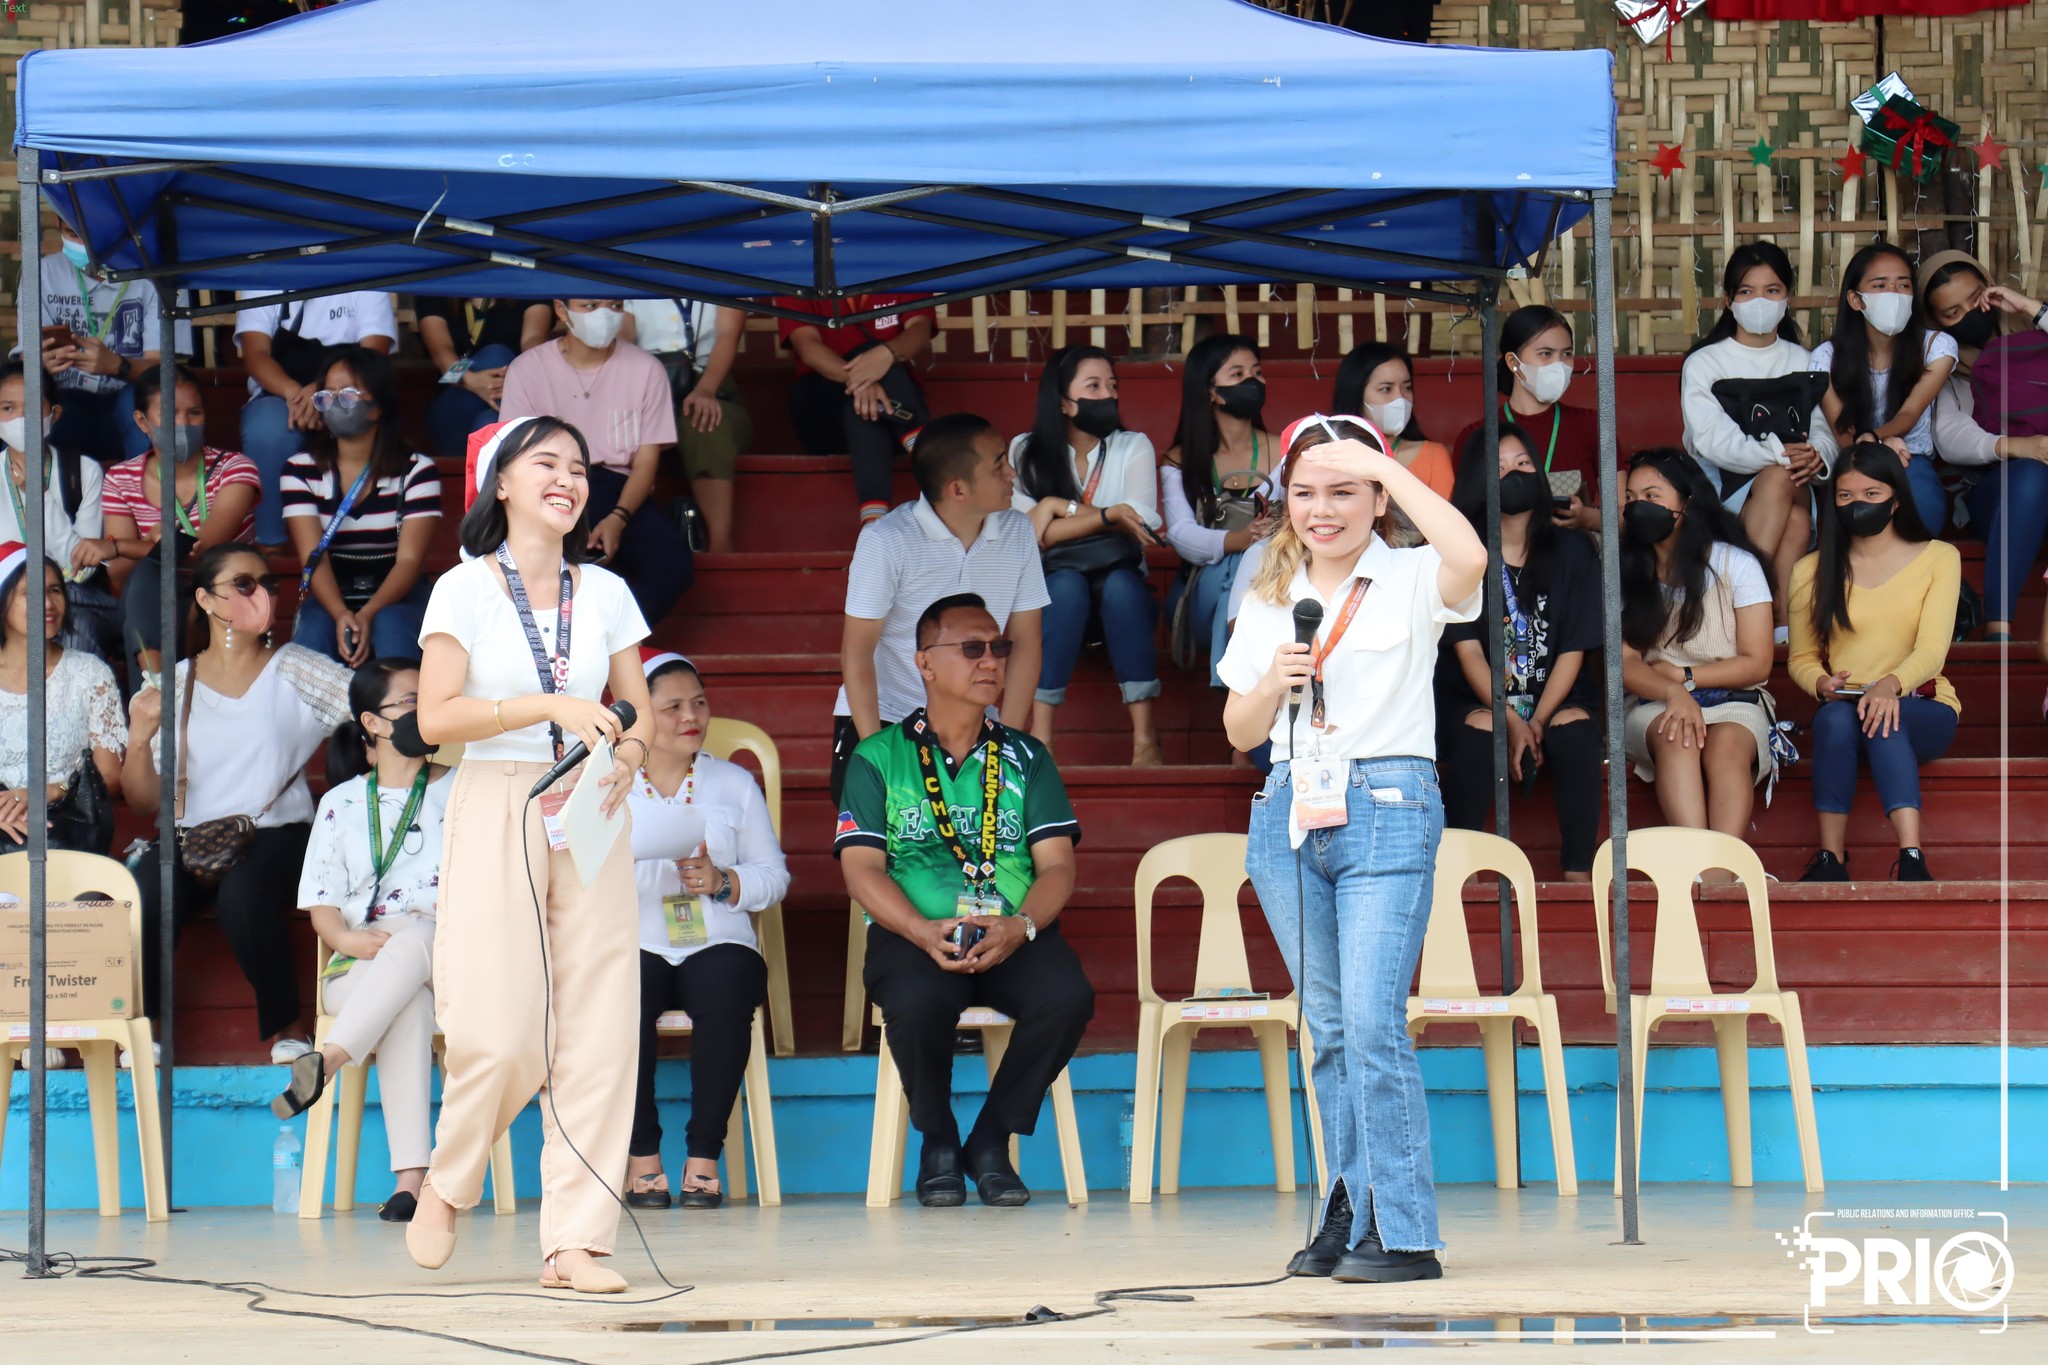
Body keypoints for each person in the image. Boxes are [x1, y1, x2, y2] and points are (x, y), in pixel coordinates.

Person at [1219, 414, 1484, 1284]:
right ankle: (1348, 1203)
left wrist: (1383, 463)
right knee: (1327, 1026)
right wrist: (1270, 681)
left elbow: (1471, 558)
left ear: (1377, 496)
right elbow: (1237, 727)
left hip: (1387, 799)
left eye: (1344, 490)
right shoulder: (1264, 592)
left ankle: (1405, 1231)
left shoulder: (1409, 573)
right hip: (1290, 805)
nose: (1322, 509)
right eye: (1305, 491)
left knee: (1373, 1022)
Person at [406, 416, 653, 1294]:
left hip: (588, 803)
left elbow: (638, 710)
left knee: (599, 1023)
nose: (568, 477)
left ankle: (576, 1242)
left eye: (579, 466)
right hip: (500, 793)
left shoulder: (609, 590)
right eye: (545, 462)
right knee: (500, 1026)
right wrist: (545, 705)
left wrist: (625, 757)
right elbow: (435, 720)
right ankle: (450, 1175)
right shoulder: (463, 589)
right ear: (499, 483)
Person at [835, 592, 1092, 1209]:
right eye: (972, 648)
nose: (991, 662)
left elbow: (1058, 867)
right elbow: (861, 868)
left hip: (1011, 933)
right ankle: (939, 1139)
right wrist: (921, 930)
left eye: (999, 648)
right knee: (919, 1001)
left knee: (1069, 997)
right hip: (912, 936)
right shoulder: (878, 757)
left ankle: (990, 1138)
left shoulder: (1028, 756)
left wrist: (1021, 926)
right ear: (924, 663)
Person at [123, 542, 353, 1060]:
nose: (262, 594)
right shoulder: (175, 682)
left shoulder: (294, 667)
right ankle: (148, 1030)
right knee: (148, 893)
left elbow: (369, 708)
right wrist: (139, 738)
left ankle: (289, 1027)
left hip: (279, 833)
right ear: (205, 599)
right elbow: (140, 802)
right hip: (191, 836)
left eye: (267, 584)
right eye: (244, 584)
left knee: (243, 896)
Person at [270, 659, 452, 1224]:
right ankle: (411, 1184)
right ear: (372, 722)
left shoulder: (462, 788)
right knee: (409, 1001)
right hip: (359, 967)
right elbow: (321, 905)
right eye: (410, 702)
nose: (425, 711)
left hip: (446, 956)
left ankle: (326, 1061)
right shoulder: (342, 802)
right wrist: (348, 936)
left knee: (418, 934)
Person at [624, 651, 789, 1211]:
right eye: (671, 707)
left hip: (716, 937)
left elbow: (774, 877)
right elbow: (569, 873)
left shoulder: (732, 781)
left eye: (698, 702)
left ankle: (703, 1159)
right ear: (640, 715)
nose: (690, 716)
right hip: (634, 939)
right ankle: (642, 1158)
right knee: (619, 996)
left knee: (727, 988)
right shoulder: (604, 780)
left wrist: (725, 882)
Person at [833, 413, 1046, 805]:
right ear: (958, 489)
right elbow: (857, 652)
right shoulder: (886, 541)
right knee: (886, 853)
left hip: (976, 723)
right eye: (999, 463)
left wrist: (1006, 744)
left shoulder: (1017, 531)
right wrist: (878, 755)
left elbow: (1027, 641)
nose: (1011, 472)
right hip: (885, 718)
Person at [1789, 442, 1960, 883]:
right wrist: (1821, 684)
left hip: (1922, 703)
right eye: (1845, 496)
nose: (1857, 504)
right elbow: (1802, 658)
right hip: (1847, 702)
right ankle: (1830, 858)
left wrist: (1890, 685)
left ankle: (1911, 857)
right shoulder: (1810, 569)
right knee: (1834, 721)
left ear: (1896, 498)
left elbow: (1933, 649)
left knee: (1885, 718)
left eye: (1871, 494)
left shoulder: (1939, 557)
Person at [1438, 423, 1603, 881]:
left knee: (1575, 729)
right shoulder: (1461, 554)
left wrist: (1537, 720)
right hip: (1477, 700)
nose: (1514, 473)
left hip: (1556, 695)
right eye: (1500, 467)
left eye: (1524, 464)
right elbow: (1469, 652)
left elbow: (1573, 648)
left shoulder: (1573, 549)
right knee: (1482, 729)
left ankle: (1578, 871)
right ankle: (1462, 873)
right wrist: (1510, 720)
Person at [1618, 449, 1779, 860]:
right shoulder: (1622, 571)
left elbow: (1757, 663)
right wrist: (1673, 694)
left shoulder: (1736, 565)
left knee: (1727, 749)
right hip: (1655, 702)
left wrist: (1685, 678)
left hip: (1734, 700)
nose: (1640, 507)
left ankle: (1721, 872)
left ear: (1686, 504)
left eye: (1653, 496)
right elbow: (1625, 664)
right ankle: (1697, 867)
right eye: (1632, 498)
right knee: (1679, 737)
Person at [1011, 346, 1164, 764]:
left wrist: (1054, 509)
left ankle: (1145, 740)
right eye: (1093, 386)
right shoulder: (1024, 450)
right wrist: (1108, 515)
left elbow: (1143, 521)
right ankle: (1041, 739)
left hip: (1122, 582)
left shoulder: (1132, 445)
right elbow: (1024, 536)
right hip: (1057, 588)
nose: (1107, 396)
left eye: (1112, 386)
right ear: (1063, 400)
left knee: (1120, 588)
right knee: (1063, 587)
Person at [498, 299, 690, 625]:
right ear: (561, 310)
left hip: (620, 487)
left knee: (673, 567)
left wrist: (619, 517)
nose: (604, 314)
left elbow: (645, 463)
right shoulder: (528, 368)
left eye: (614, 305)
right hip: (550, 486)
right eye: (589, 305)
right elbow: (515, 456)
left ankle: (605, 638)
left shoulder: (646, 369)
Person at [1680, 242, 1837, 625]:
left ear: (1788, 297)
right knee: (1796, 520)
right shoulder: (1705, 362)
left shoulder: (1803, 360)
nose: (1760, 301)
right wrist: (1782, 455)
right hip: (1722, 489)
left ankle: (1730, 606)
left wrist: (1817, 455)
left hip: (1794, 479)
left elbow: (1823, 430)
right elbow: (1712, 440)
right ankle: (1777, 619)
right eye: (1747, 291)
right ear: (1728, 300)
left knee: (1781, 477)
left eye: (1772, 290)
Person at [281, 347, 441, 666]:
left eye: (349, 395)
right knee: (315, 628)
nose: (335, 403)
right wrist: (342, 613)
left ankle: (404, 715)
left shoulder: (417, 470)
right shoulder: (299, 470)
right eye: (327, 395)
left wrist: (368, 613)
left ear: (378, 406)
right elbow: (313, 558)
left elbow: (409, 561)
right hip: (331, 596)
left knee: (390, 626)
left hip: (400, 595)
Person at [1918, 250, 2048, 641]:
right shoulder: (1942, 367)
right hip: (1992, 491)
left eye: (1976, 298)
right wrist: (2019, 446)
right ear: (1934, 323)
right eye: (1953, 313)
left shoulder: (2036, 340)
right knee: (2029, 475)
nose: (1971, 315)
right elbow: (1950, 436)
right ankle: (1999, 625)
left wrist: (2031, 309)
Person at [102, 365, 261, 680]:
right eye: (169, 413)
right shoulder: (121, 478)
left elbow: (203, 550)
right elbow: (119, 574)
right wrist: (153, 545)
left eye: (194, 413)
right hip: (150, 599)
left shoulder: (235, 468)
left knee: (155, 571)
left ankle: (155, 697)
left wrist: (131, 546)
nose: (183, 424)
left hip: (225, 592)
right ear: (141, 421)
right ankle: (157, 694)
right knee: (150, 575)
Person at [1160, 334, 1280, 700]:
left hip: (1270, 586)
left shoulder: (1287, 449)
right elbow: (1180, 533)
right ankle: (1238, 699)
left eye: (1257, 372)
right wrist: (1239, 540)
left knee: (1243, 570)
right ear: (1210, 391)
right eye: (1238, 373)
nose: (1253, 381)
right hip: (1198, 592)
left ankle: (1233, 701)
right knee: (1232, 569)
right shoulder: (1180, 459)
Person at [1810, 242, 1956, 536]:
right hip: (1854, 459)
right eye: (1880, 285)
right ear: (1855, 299)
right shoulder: (1825, 358)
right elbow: (1843, 435)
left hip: (1911, 458)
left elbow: (1910, 413)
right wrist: (1872, 448)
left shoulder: (1936, 346)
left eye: (1903, 285)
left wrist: (1877, 436)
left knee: (1923, 506)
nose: (1894, 294)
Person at [234, 290, 397, 547]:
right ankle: (269, 545)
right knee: (268, 430)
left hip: (348, 390)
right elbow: (255, 356)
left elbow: (374, 351)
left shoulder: (364, 265)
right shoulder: (262, 273)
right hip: (281, 394)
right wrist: (295, 393)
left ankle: (361, 540)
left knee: (358, 411)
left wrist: (323, 391)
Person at [20, 223, 182, 466]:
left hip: (127, 396)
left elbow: (164, 371)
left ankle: (138, 488)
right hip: (63, 397)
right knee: (38, 401)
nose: (83, 244)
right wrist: (39, 365)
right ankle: (57, 489)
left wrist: (118, 366)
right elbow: (26, 359)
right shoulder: (41, 273)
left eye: (91, 233)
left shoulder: (155, 275)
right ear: (58, 226)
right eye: (72, 233)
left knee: (144, 399)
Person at [0, 544, 125, 854]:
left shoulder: (89, 673)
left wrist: (49, 792)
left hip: (67, 821)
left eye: (55, 590)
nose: (47, 603)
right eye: (30, 593)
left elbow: (110, 777)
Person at [775, 293, 935, 529]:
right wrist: (862, 378)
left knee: (863, 401)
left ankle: (873, 527)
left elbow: (920, 327)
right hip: (822, 412)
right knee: (864, 391)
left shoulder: (902, 261)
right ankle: (933, 461)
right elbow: (807, 346)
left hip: (888, 412)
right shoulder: (801, 271)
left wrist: (886, 354)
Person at [0, 363, 117, 659]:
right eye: (8, 408)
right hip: (5, 600)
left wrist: (39, 495)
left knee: (78, 633)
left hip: (69, 598)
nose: (21, 420)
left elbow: (81, 568)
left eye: (32, 407)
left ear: (55, 414)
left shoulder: (83, 471)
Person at [1451, 305, 1601, 531]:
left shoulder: (1593, 425)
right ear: (1513, 362)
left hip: (1575, 559)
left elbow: (1623, 517)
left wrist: (1586, 518)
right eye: (1545, 354)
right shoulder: (1476, 435)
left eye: (1567, 354)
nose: (1559, 365)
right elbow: (1460, 518)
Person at [622, 300, 753, 554]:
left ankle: (720, 545)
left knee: (705, 424)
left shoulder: (723, 268)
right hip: (645, 382)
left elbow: (728, 334)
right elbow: (623, 341)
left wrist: (706, 388)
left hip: (710, 380)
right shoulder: (633, 268)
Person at [416, 296, 554, 461]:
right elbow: (441, 353)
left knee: (489, 422)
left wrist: (515, 378)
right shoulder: (439, 287)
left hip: (511, 395)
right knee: (496, 356)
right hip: (456, 396)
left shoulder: (526, 285)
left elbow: (532, 340)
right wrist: (471, 380)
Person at [1332, 342, 1456, 508]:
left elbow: (1445, 525)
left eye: (1407, 388)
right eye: (1386, 389)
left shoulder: (1433, 455)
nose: (1400, 398)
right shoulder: (1330, 453)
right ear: (1355, 393)